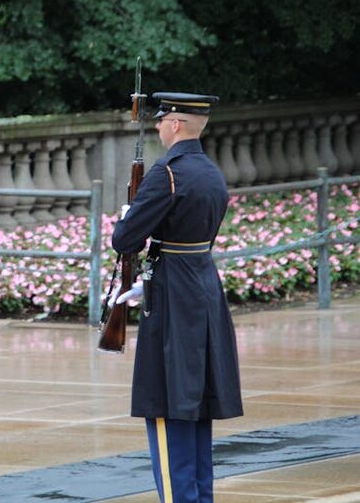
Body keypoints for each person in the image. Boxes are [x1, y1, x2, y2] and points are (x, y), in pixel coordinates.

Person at [111, 92, 243, 502]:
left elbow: (124, 240)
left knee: (168, 405)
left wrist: (128, 216)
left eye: (162, 119)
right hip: (202, 286)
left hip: (171, 297)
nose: (156, 126)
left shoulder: (166, 173)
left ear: (176, 125)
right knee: (196, 408)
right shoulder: (210, 173)